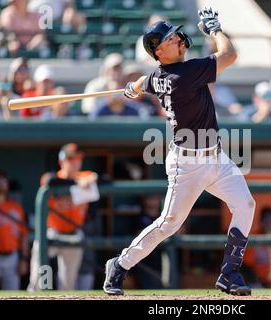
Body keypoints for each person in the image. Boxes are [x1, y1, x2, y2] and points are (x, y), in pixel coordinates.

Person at [103, 7, 255, 296]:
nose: (177, 40)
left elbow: (142, 83)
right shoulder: (184, 73)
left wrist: (131, 88)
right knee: (168, 225)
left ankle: (230, 273)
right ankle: (120, 264)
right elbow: (230, 55)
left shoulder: (160, 75)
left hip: (215, 158)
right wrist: (214, 29)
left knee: (246, 205)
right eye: (170, 40)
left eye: (174, 36)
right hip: (187, 165)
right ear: (159, 53)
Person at [28, 143, 99, 290]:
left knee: (67, 283)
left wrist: (93, 178)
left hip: (73, 233)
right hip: (51, 233)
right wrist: (78, 183)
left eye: (78, 158)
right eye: (71, 159)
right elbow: (48, 181)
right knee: (37, 280)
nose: (75, 162)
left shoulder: (85, 176)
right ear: (62, 161)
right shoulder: (54, 179)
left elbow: (103, 178)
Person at [0, 171, 29, 290]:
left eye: (4, 182)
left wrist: (23, 259)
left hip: (12, 257)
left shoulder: (16, 207)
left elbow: (24, 235)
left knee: (12, 294)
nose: (1, 185)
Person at [243, 207, 271, 288]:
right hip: (257, 280)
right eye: (266, 219)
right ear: (261, 221)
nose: (269, 223)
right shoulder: (254, 237)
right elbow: (247, 265)